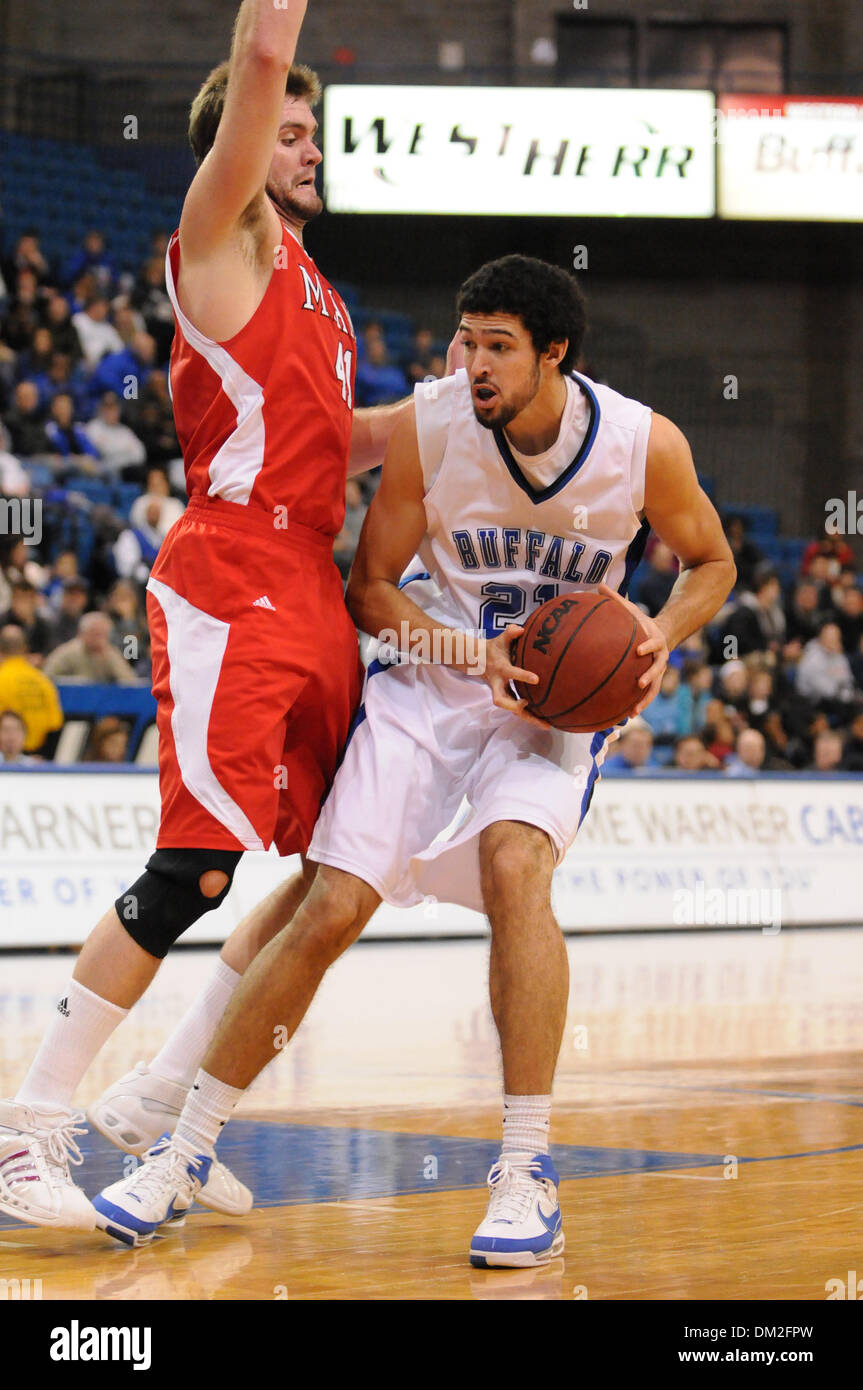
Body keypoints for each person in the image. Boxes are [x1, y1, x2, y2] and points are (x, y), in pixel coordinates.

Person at [92, 253, 736, 1263]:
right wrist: (462, 651)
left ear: (552, 352)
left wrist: (659, 632)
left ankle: (525, 1170)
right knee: (332, 901)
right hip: (435, 679)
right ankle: (185, 1147)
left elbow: (712, 558)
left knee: (515, 867)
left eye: (496, 347)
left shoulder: (639, 443)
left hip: (550, 715)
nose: (471, 363)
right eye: (464, 339)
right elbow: (372, 589)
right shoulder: (433, 428)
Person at [0, 0, 411, 1238]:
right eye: (285, 129)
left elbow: (348, 448)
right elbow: (265, 60)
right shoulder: (217, 239)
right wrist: (268, 43)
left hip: (311, 584)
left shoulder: (323, 299)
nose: (306, 145)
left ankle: (166, 1107)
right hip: (231, 572)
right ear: (237, 141)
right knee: (192, 868)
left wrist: (463, 414)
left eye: (309, 134)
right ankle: (29, 1131)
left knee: (339, 866)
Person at [0, 626, 64, 754]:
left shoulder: (2, 678)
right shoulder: (42, 680)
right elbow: (55, 725)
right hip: (38, 756)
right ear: (25, 649)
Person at [44, 611, 139, 685]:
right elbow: (47, 676)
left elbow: (129, 681)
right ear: (82, 633)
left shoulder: (110, 653)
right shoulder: (69, 652)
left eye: (103, 634)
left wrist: (109, 660)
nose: (99, 639)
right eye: (95, 633)